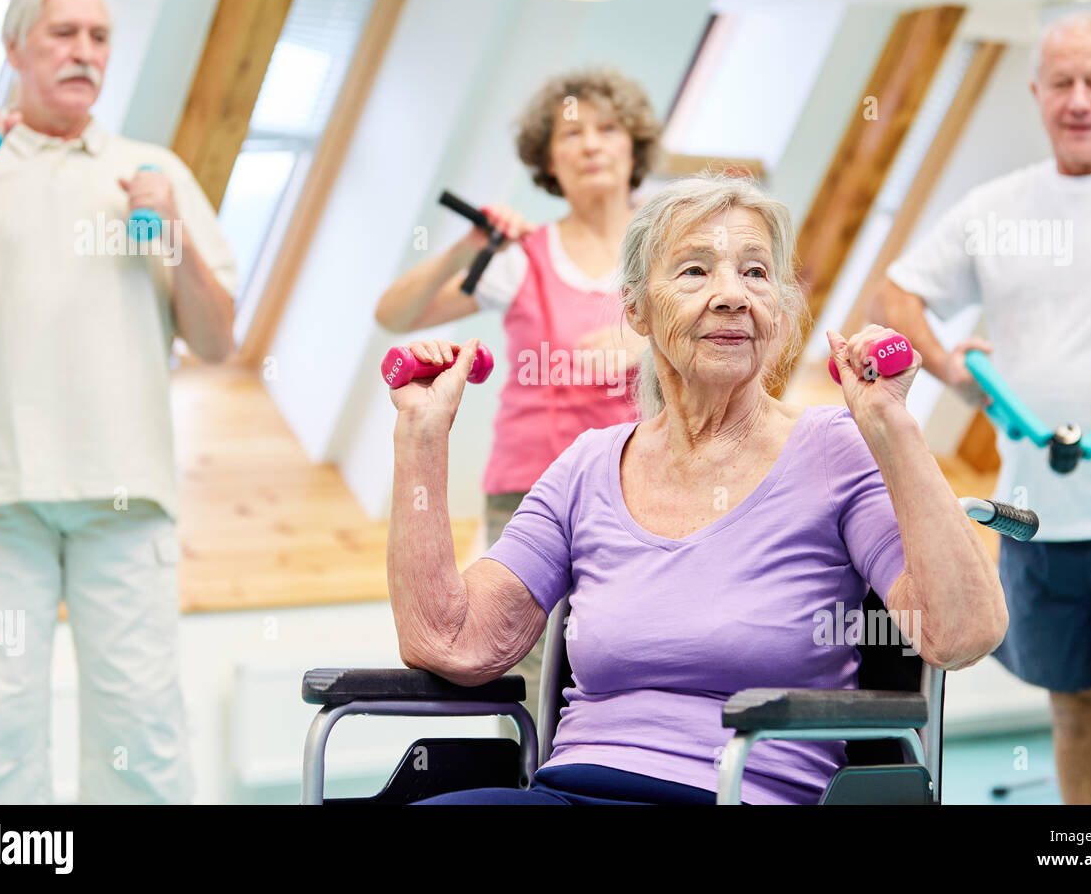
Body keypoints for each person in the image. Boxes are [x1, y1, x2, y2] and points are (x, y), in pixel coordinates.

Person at [383, 173, 1007, 804]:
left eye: (756, 273)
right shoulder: (586, 467)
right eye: (694, 272)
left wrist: (893, 428)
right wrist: (421, 436)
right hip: (567, 792)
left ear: (782, 310)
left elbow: (961, 633)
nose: (732, 296)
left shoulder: (834, 450)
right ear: (636, 309)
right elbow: (451, 642)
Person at [875, 13, 1091, 804]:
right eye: (1061, 83)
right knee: (1076, 708)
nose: (1079, 100)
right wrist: (949, 368)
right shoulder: (994, 207)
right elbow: (898, 292)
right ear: (1036, 94)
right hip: (1039, 512)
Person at [0, 0, 237, 803]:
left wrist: (171, 234)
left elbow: (215, 340)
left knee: (143, 738)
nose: (83, 52)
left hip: (124, 502)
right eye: (63, 33)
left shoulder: (151, 170)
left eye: (99, 37)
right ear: (15, 47)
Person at [375, 67, 658, 725]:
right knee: (525, 665)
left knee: (629, 651)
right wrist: (463, 250)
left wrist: (651, 349)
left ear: (632, 147)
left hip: (643, 490)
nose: (591, 145)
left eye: (608, 130)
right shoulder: (519, 256)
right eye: (571, 134)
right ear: (548, 160)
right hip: (530, 490)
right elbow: (396, 314)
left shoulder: (672, 249)